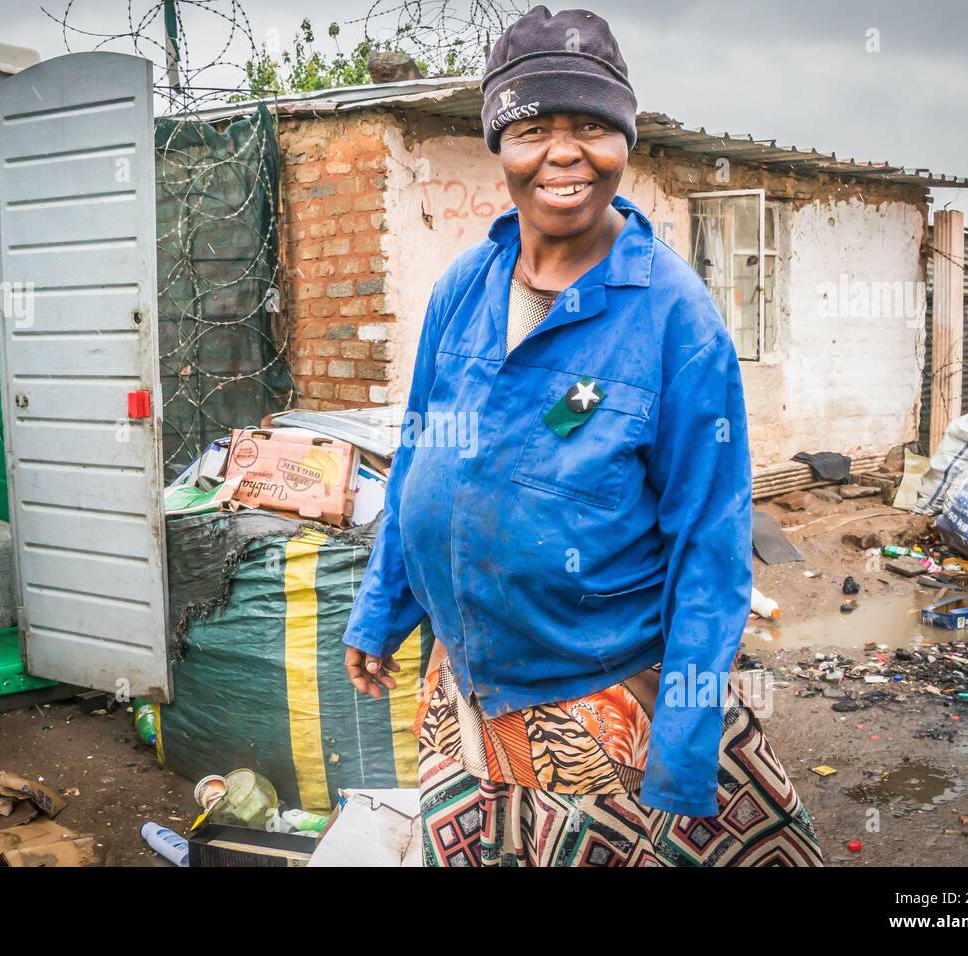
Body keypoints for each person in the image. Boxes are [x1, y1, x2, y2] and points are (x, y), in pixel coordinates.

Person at [343, 6, 823, 866]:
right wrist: (381, 610)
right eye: (533, 127)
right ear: (499, 142)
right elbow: (422, 458)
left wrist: (680, 744)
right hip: (468, 691)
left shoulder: (676, 318)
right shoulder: (465, 287)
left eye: (593, 126)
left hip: (605, 707)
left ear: (625, 141)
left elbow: (709, 546)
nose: (564, 153)